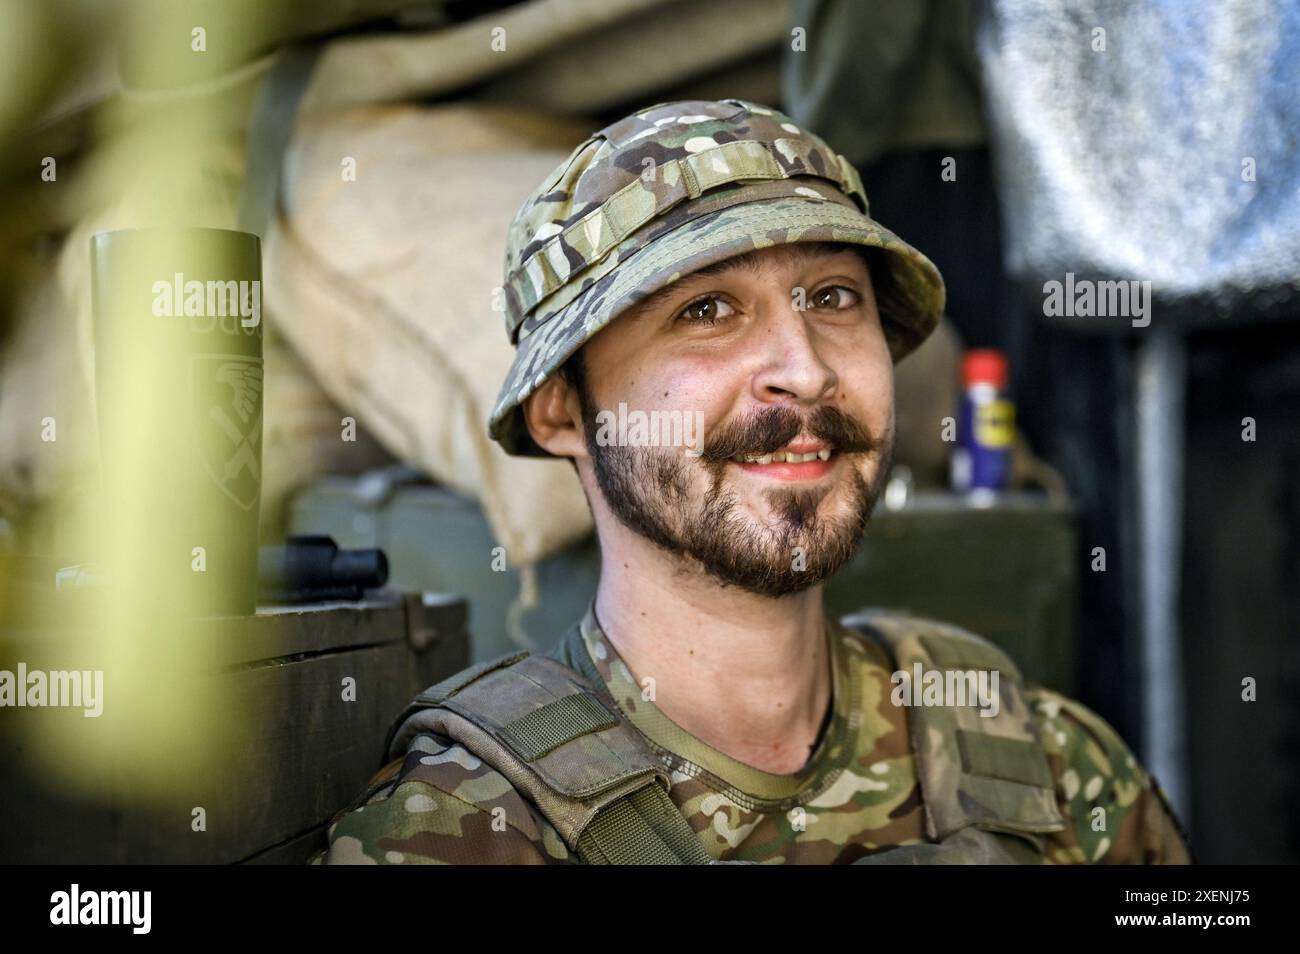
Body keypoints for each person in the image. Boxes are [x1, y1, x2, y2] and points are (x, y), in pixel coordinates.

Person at [310, 99, 1191, 865]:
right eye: (706, 310)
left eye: (835, 297)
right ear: (563, 413)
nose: (803, 372)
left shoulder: (1046, 769)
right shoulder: (457, 833)